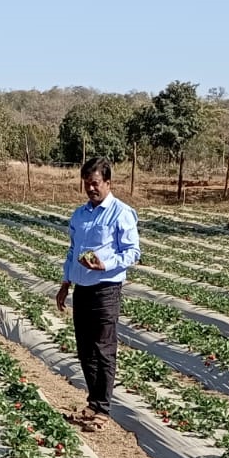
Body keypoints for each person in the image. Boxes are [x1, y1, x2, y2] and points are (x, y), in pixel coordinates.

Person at [54, 157, 141, 432]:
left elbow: (133, 253)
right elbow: (71, 250)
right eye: (86, 184)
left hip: (106, 289)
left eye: (95, 184)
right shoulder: (80, 215)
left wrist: (105, 264)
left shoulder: (121, 213)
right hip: (82, 289)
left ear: (107, 183)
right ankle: (93, 403)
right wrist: (66, 283)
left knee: (104, 350)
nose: (90, 189)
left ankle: (102, 408)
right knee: (84, 350)